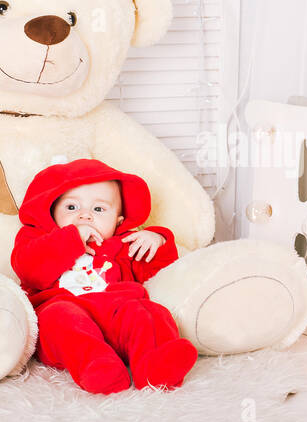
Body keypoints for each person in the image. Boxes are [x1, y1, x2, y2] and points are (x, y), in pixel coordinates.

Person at [10, 158, 199, 394]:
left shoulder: (123, 243)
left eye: (98, 209)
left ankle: (155, 366)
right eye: (71, 207)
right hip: (64, 314)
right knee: (60, 318)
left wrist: (157, 240)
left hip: (116, 316)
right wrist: (70, 238)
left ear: (118, 221)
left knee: (149, 312)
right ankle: (98, 367)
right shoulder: (40, 240)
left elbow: (162, 270)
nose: (85, 216)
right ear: (52, 212)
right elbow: (29, 270)